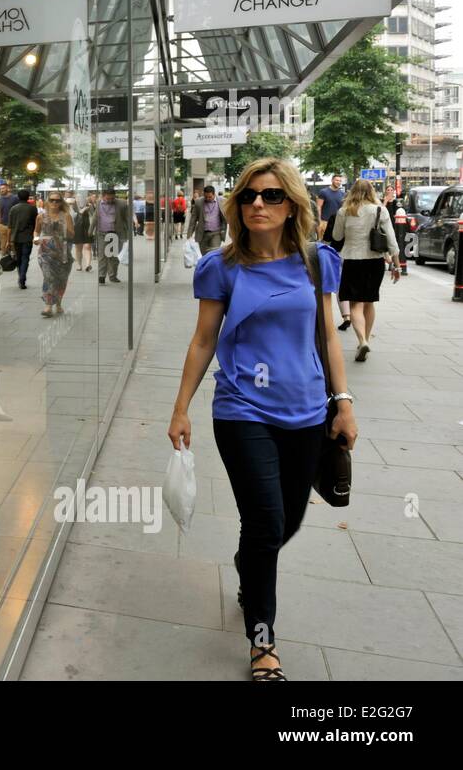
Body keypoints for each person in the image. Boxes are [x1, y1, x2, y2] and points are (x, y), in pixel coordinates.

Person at [168, 157, 355, 682]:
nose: (258, 204)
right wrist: (181, 407)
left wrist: (343, 402)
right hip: (242, 409)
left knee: (286, 522)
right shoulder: (221, 266)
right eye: (249, 196)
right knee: (266, 521)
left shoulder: (317, 262)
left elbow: (329, 335)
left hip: (307, 411)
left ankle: (251, 566)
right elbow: (204, 339)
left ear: (292, 203)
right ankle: (262, 640)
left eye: (272, 196)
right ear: (236, 205)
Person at [332, 179, 399, 363]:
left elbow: (337, 236)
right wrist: (397, 264)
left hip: (352, 260)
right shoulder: (380, 210)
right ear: (371, 191)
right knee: (369, 302)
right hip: (374, 261)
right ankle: (366, 340)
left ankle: (361, 340)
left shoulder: (344, 211)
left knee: (355, 304)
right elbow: (392, 241)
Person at [316, 173, 351, 329]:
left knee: (334, 281)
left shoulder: (342, 195)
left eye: (340, 180)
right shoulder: (324, 192)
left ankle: (343, 316)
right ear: (332, 181)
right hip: (326, 223)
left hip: (335, 236)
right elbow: (319, 206)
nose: (338, 182)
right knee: (342, 282)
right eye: (336, 180)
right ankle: (348, 315)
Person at [34, 191, 75, 316]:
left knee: (61, 279)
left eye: (57, 200)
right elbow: (36, 232)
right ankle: (48, 306)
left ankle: (58, 303)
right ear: (47, 201)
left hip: (62, 250)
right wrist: (35, 239)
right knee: (49, 277)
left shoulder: (66, 216)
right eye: (52, 200)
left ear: (61, 202)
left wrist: (63, 228)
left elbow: (72, 235)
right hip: (45, 251)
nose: (54, 202)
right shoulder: (41, 216)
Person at [93, 186, 131, 284]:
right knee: (102, 255)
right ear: (103, 196)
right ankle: (101, 276)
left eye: (112, 198)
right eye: (107, 198)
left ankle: (113, 276)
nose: (110, 200)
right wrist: (90, 230)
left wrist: (128, 233)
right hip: (102, 233)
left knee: (113, 256)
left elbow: (127, 218)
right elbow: (95, 217)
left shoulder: (122, 204)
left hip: (116, 233)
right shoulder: (98, 203)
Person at [7, 188, 37, 289]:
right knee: (25, 258)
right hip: (28, 237)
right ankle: (22, 278)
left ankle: (21, 276)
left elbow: (10, 226)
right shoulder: (32, 208)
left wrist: (8, 241)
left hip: (15, 238)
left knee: (18, 258)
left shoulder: (13, 209)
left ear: (18, 197)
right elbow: (35, 224)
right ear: (28, 197)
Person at [187, 184, 224, 253]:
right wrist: (189, 234)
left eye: (210, 197)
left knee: (213, 254)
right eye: (206, 197)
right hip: (202, 234)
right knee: (204, 256)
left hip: (216, 233)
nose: (207, 199)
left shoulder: (222, 201)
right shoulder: (198, 202)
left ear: (214, 194)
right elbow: (193, 219)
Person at [0, 183, 18, 254]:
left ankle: (15, 261)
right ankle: (4, 262)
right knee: (3, 246)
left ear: (8, 188)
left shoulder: (15, 198)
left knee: (13, 245)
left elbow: (18, 210)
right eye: (0, 189)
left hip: (13, 226)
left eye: (3, 188)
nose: (1, 190)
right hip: (3, 226)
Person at [74, 193, 94, 272]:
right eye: (78, 198)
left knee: (87, 246)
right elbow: (78, 214)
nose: (80, 199)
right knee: (78, 248)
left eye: (82, 198)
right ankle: (79, 265)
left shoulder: (90, 206)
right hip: (76, 228)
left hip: (87, 227)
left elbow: (93, 216)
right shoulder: (73, 206)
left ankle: (88, 265)